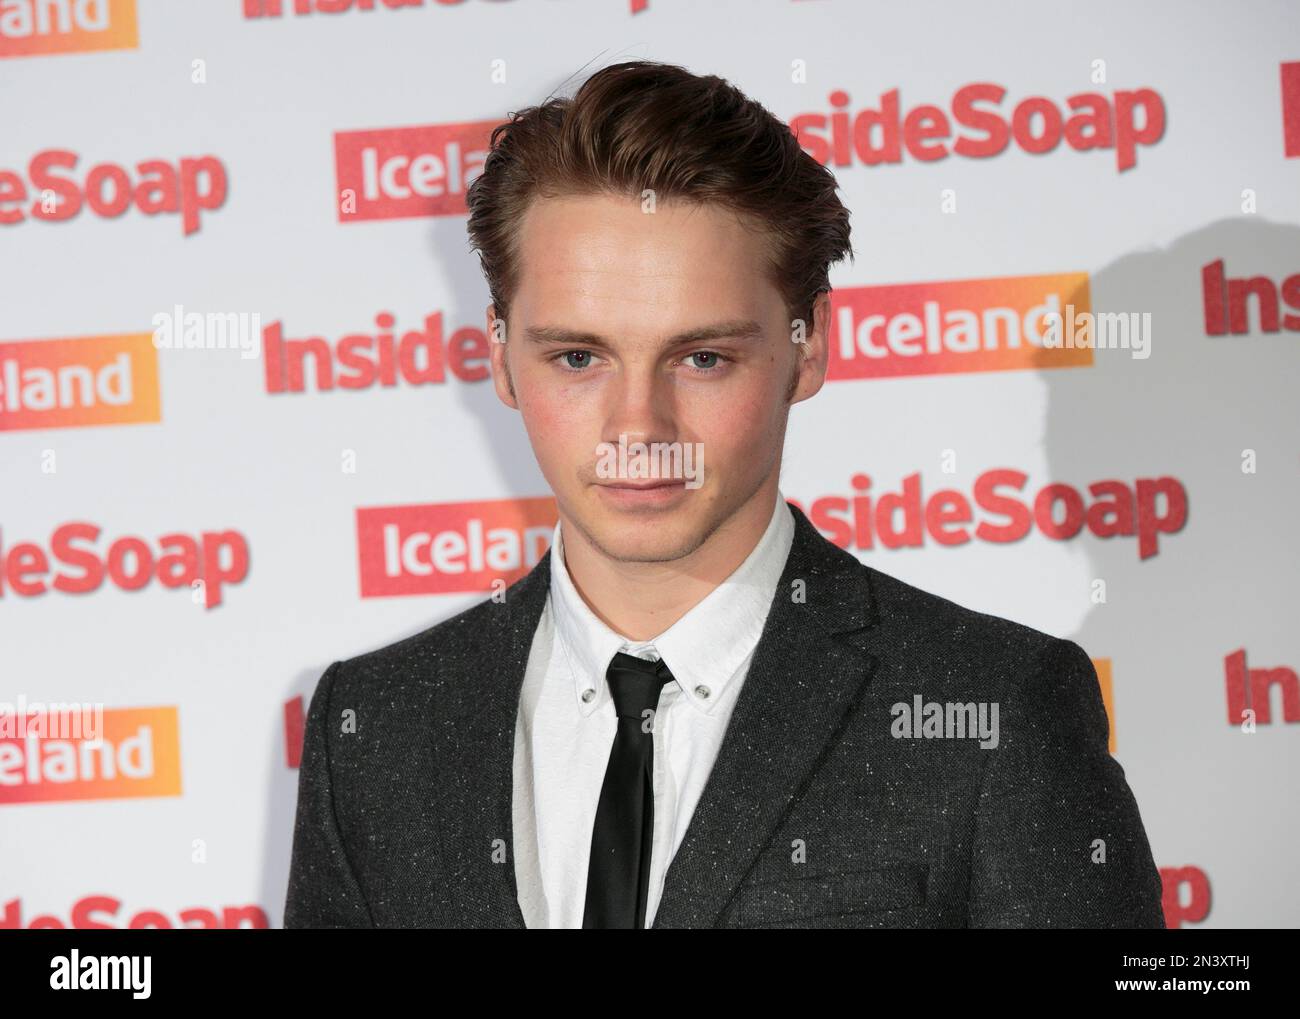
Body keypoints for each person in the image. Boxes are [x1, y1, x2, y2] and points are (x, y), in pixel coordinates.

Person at [284, 59, 1165, 929]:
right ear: (501, 357)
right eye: (578, 358)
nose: (639, 427)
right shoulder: (374, 729)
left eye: (702, 357)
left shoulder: (993, 710)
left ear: (809, 345)